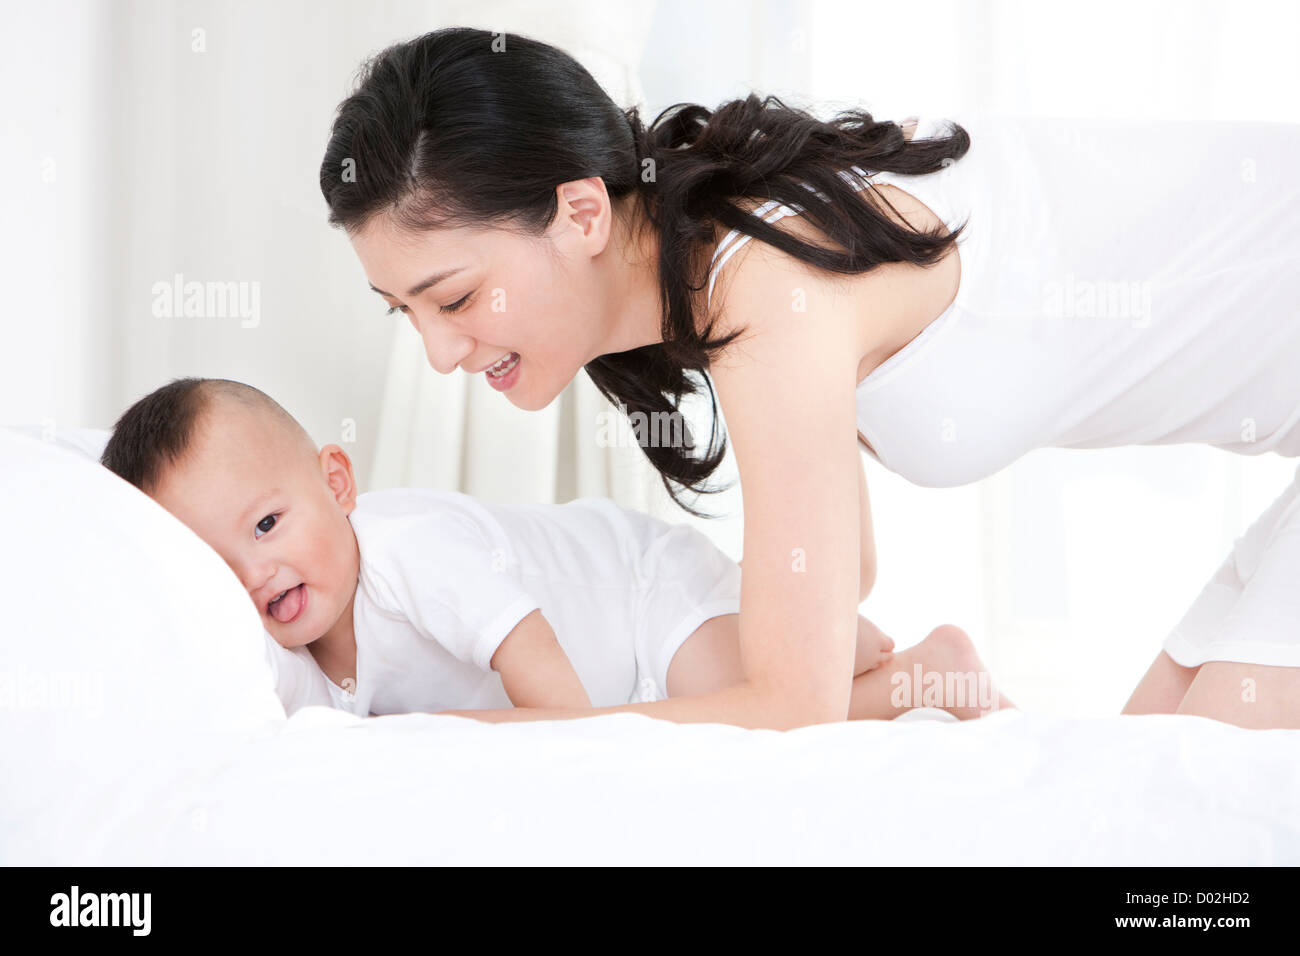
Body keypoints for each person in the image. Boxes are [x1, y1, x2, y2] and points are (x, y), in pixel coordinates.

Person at [318, 26, 1300, 730]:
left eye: (452, 296)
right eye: (405, 312)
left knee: (1180, 804)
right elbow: (835, 579)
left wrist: (441, 740)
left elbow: (790, 704)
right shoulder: (722, 261)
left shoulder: (766, 280)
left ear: (579, 214)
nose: (441, 352)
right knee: (1137, 787)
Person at [99, 377, 1012, 721]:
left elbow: (566, 722)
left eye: (266, 527)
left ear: (336, 485)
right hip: (621, 669)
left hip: (639, 596)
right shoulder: (279, 640)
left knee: (761, 697)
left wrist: (464, 738)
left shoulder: (409, 555)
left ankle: (926, 664)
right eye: (220, 566)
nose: (258, 573)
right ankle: (887, 654)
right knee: (776, 683)